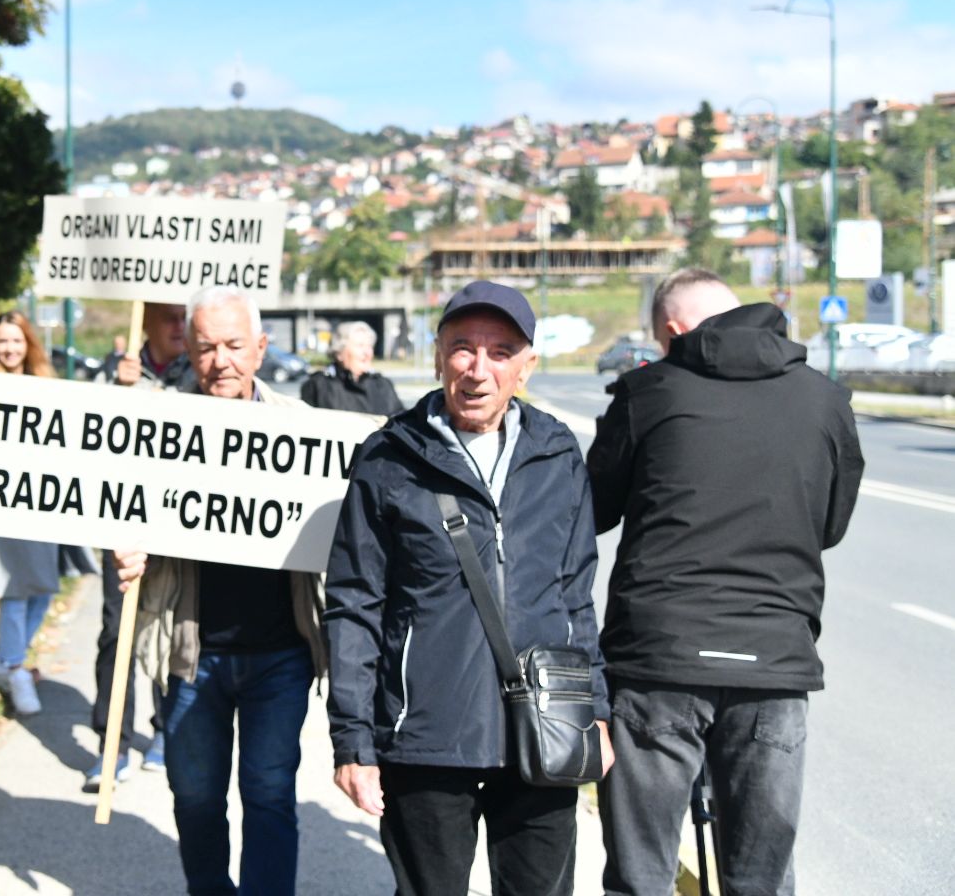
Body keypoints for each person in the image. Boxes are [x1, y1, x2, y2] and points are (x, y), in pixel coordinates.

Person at [325, 279, 611, 896]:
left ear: (527, 366)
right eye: (463, 348)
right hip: (425, 736)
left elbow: (576, 597)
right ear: (437, 356)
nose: (478, 370)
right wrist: (353, 742)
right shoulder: (388, 460)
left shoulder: (558, 454)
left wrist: (599, 712)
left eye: (500, 351)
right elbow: (353, 605)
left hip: (546, 728)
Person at [587, 267, 864, 896]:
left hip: (659, 662)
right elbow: (829, 526)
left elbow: (593, 510)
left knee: (640, 875)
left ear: (675, 330)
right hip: (773, 662)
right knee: (760, 879)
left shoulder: (647, 391)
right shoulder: (825, 400)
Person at [113, 286, 328, 896]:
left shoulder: (305, 430)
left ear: (260, 349)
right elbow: (122, 511)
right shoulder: (159, 429)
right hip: (189, 654)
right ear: (189, 351)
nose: (220, 361)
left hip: (281, 654)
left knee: (268, 793)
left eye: (234, 345)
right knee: (197, 799)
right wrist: (128, 549)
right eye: (206, 347)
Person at [84, 300, 191, 792]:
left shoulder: (197, 371)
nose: (178, 326)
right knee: (116, 632)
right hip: (123, 523)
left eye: (183, 317)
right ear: (144, 321)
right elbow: (86, 433)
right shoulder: (114, 370)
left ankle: (168, 732)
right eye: (168, 317)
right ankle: (114, 745)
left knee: (171, 631)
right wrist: (119, 389)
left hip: (181, 530)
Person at [0, 310, 96, 716]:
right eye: (2, 341)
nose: (9, 348)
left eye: (16, 340)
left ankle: (5, 663)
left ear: (29, 343)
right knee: (15, 591)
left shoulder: (48, 387)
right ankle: (15, 668)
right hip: (0, 501)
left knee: (43, 589)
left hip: (42, 502)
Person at [300, 319, 404, 417]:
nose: (367, 353)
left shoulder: (383, 385)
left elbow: (401, 423)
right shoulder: (317, 385)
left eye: (369, 346)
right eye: (360, 346)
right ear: (339, 352)